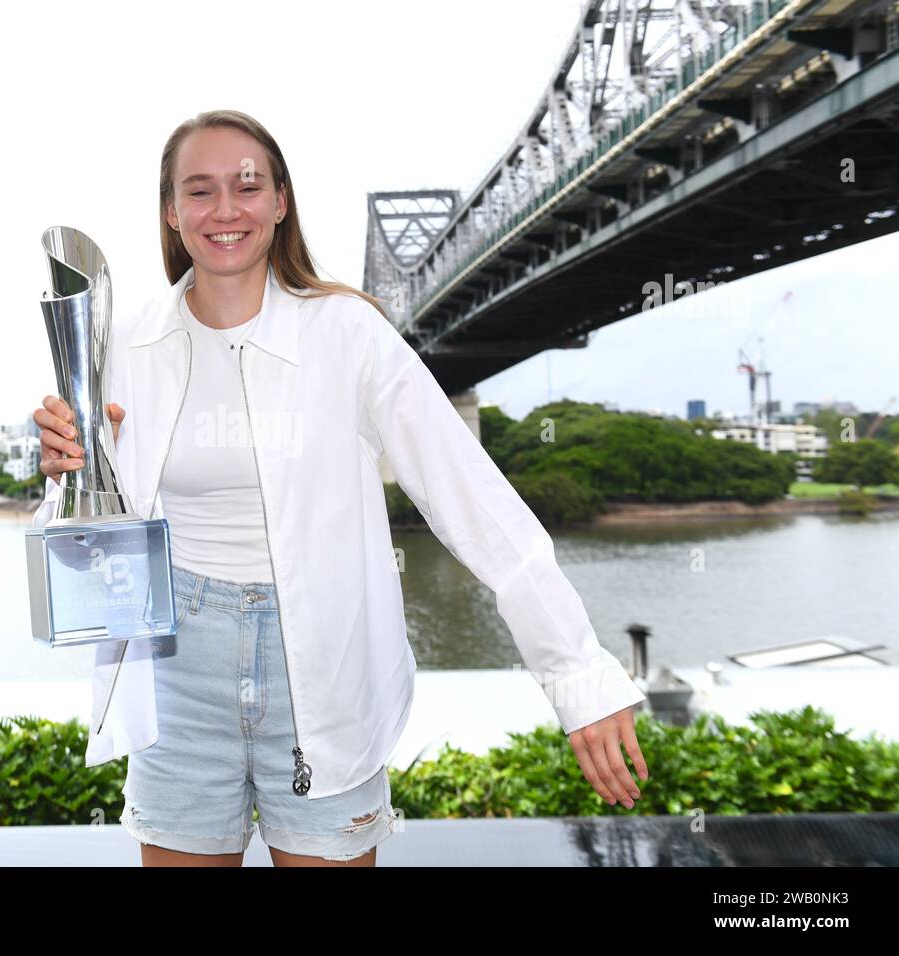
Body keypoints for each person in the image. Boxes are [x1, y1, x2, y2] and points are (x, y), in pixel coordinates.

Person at [33, 110, 648, 868]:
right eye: (200, 191)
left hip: (323, 670)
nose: (226, 210)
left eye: (248, 185)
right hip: (174, 668)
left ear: (282, 201)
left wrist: (577, 673)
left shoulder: (350, 335)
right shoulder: (119, 344)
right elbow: (89, 540)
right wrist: (66, 473)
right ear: (170, 212)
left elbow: (473, 502)